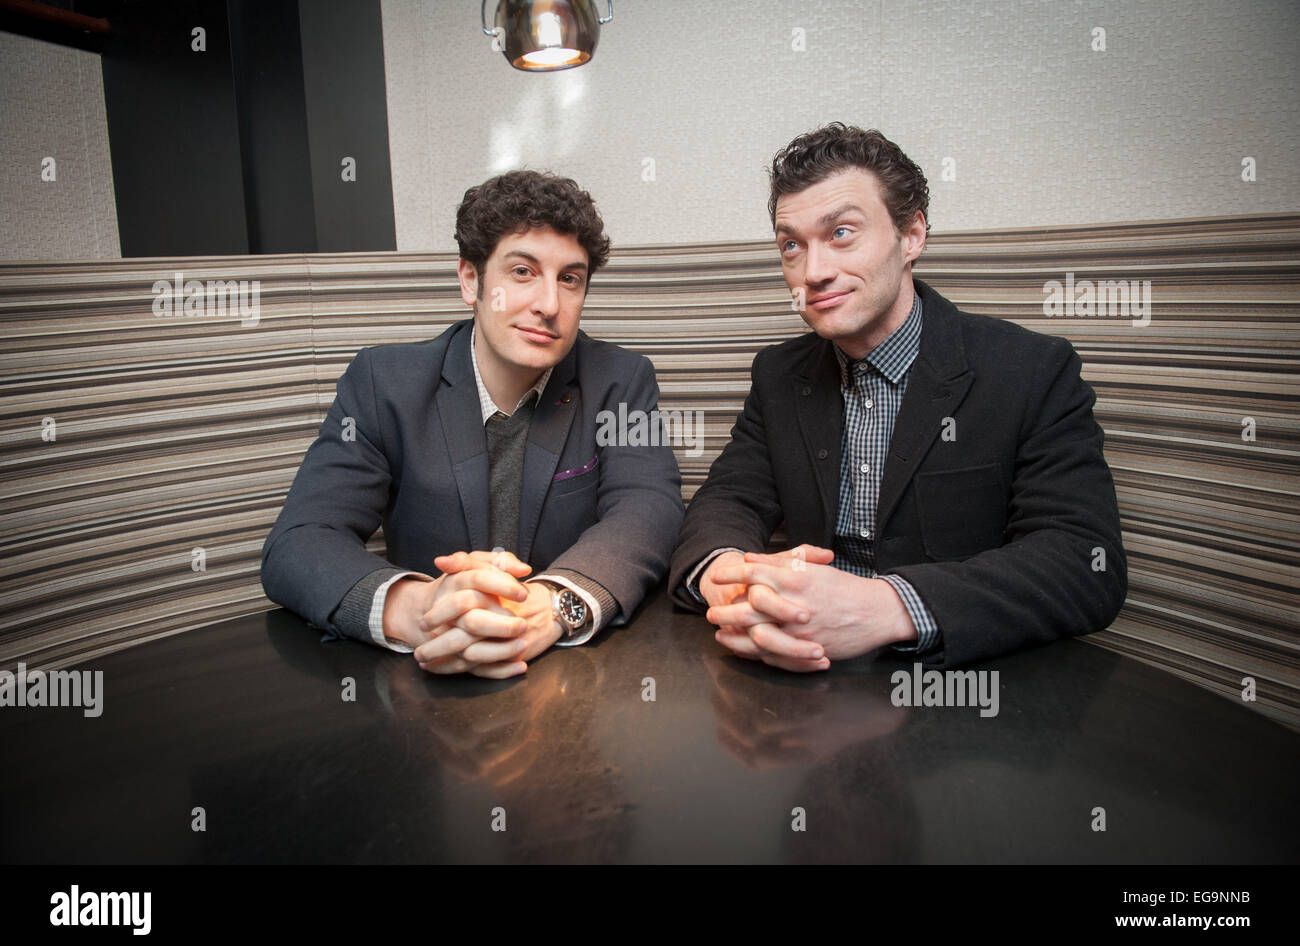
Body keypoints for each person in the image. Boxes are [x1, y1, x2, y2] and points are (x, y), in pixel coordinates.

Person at [669, 123, 1126, 672]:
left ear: (912, 236)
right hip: (798, 679)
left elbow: (1083, 563)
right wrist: (729, 577)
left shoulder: (1031, 370)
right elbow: (730, 499)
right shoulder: (779, 374)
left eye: (841, 233)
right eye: (792, 244)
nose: (812, 272)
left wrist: (888, 608)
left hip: (972, 699)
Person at [263, 170, 683, 678]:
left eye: (569, 279)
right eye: (523, 272)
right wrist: (417, 609)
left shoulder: (620, 380)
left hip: (571, 680)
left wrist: (554, 604)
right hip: (421, 685)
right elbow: (301, 541)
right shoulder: (384, 384)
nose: (548, 305)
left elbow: (649, 509)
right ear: (470, 280)